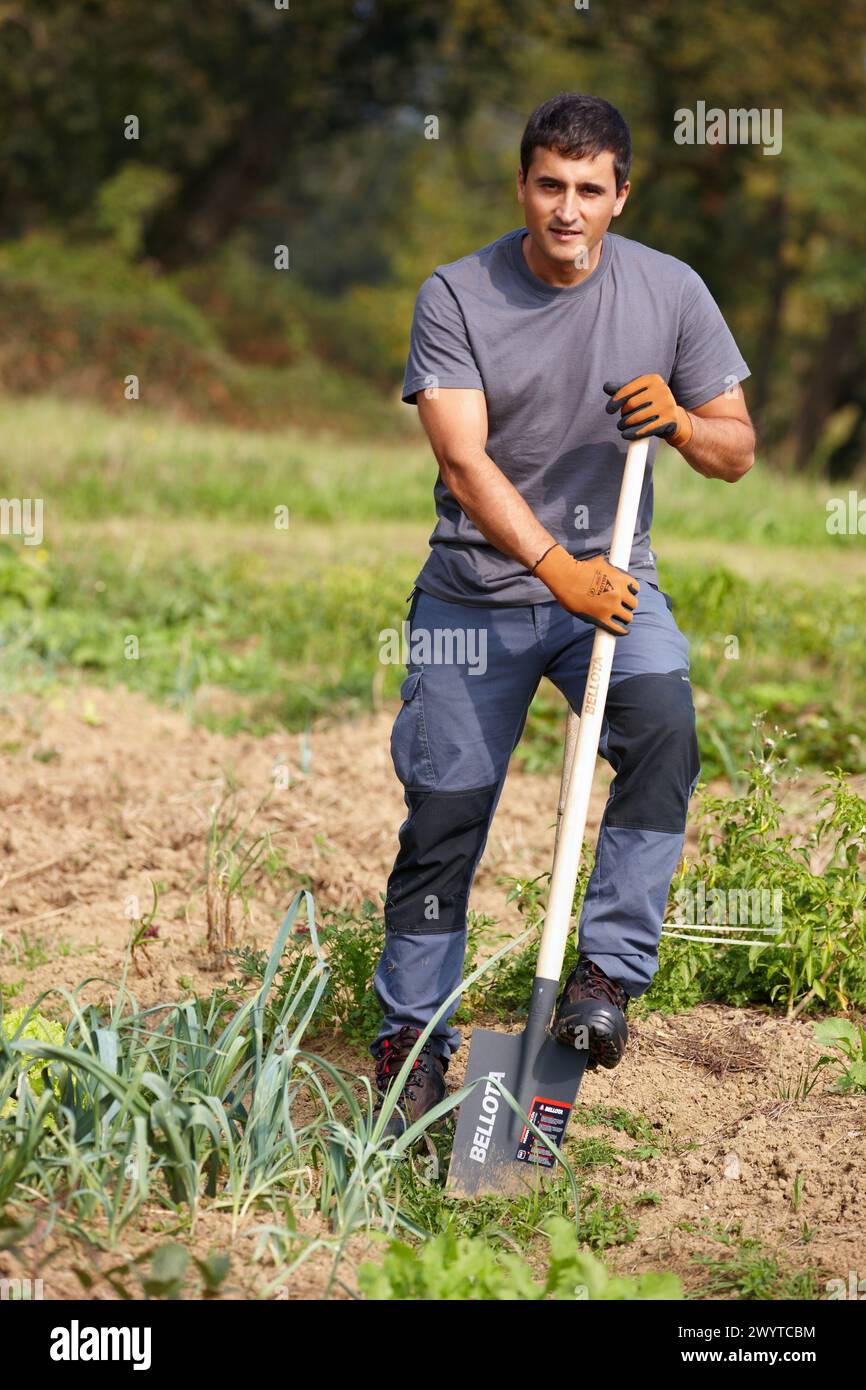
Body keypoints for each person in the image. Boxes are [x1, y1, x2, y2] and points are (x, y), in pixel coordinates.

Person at [370, 92, 754, 1137]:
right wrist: (556, 568)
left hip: (611, 591)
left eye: (589, 189)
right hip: (475, 596)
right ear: (522, 186)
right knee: (443, 822)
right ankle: (413, 1042)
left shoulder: (670, 292)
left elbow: (735, 447)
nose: (567, 209)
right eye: (549, 185)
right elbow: (462, 457)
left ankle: (601, 981)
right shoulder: (454, 294)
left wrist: (676, 419)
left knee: (664, 730)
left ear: (620, 195)